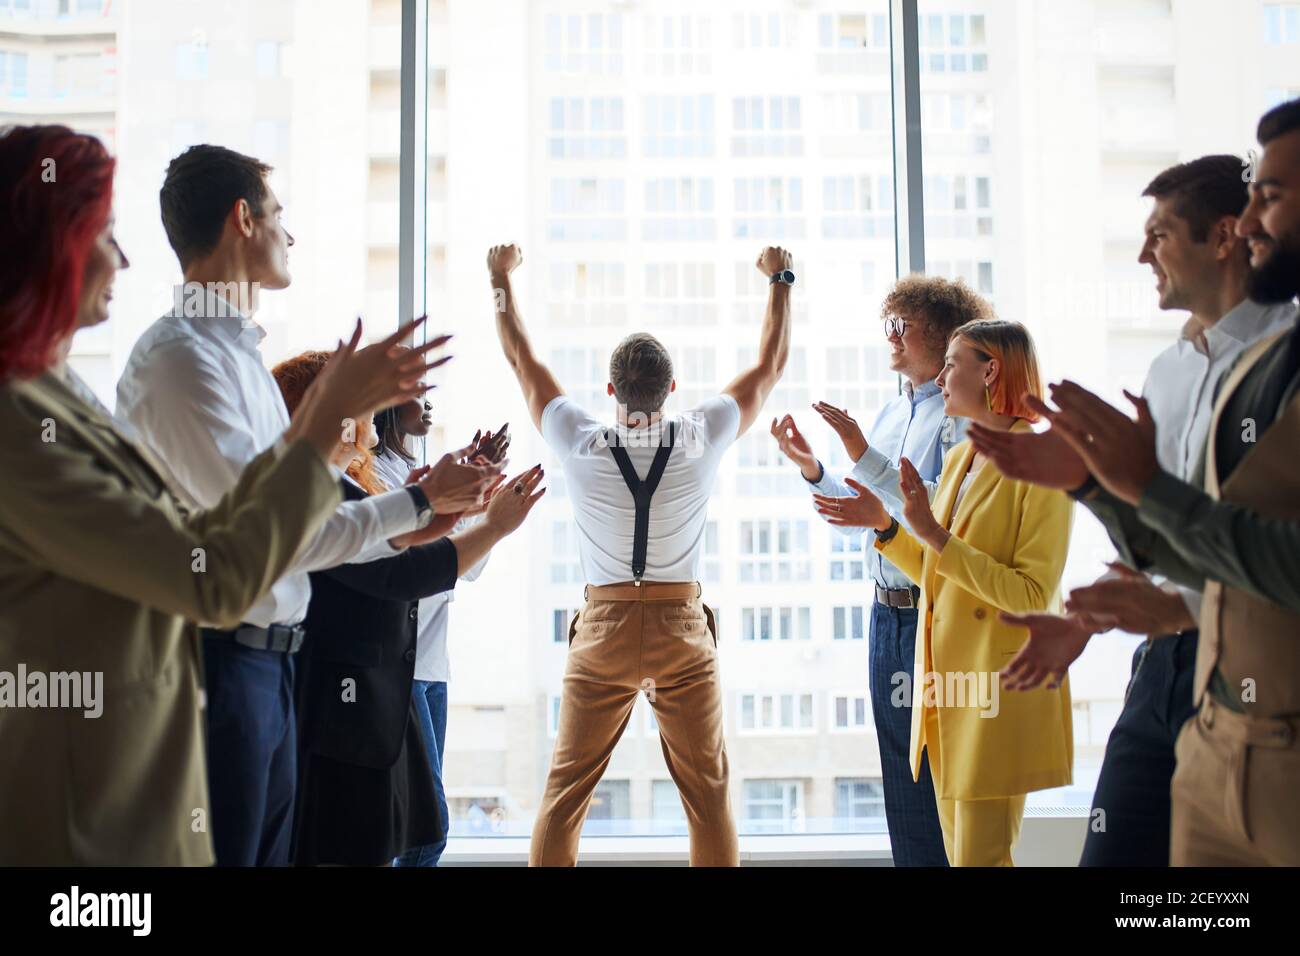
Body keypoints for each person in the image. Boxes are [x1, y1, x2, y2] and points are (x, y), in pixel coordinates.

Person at [0, 124, 447, 865]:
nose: (126, 256)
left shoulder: (68, 390)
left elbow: (266, 523)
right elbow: (220, 563)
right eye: (102, 232)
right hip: (171, 711)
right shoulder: (92, 391)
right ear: (47, 242)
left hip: (239, 681)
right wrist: (329, 425)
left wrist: (407, 498)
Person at [115, 144, 499, 866]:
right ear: (242, 218)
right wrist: (405, 491)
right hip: (220, 665)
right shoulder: (178, 360)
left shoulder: (238, 358)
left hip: (269, 669)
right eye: (278, 214)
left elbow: (305, 525)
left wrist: (421, 507)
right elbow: (267, 534)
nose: (288, 234)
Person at [971, 98, 1300, 866]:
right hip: (1167, 666)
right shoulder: (1169, 371)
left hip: (1264, 684)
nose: (1145, 256)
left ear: (1220, 238)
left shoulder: (1282, 361)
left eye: (1158, 236)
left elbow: (1263, 555)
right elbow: (1166, 539)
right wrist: (1094, 495)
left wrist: (1131, 488)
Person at [487, 242, 794, 866]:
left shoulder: (576, 438)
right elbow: (770, 365)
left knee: (565, 793)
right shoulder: (700, 434)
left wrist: (499, 280)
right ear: (671, 389)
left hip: (604, 628)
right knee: (708, 797)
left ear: (610, 389)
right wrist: (780, 280)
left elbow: (520, 357)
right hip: (682, 629)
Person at [813, 319, 1073, 866]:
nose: (944, 375)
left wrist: (933, 533)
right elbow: (939, 570)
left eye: (954, 363)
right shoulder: (962, 459)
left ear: (991, 371)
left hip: (994, 697)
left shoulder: (1045, 465)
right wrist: (886, 529)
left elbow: (1031, 594)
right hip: (946, 695)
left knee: (980, 859)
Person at [268, 353, 538, 866]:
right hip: (348, 708)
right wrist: (494, 523)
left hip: (373, 691)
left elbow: (402, 549)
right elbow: (403, 570)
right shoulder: (320, 491)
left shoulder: (335, 484)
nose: (377, 407)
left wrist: (446, 505)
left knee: (405, 832)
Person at [769, 275, 987, 866]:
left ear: (940, 334)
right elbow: (868, 509)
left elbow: (946, 509)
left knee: (937, 774)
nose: (889, 336)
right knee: (899, 772)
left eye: (902, 324)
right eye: (886, 323)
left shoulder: (962, 414)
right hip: (884, 614)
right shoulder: (894, 409)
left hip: (933, 615)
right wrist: (815, 468)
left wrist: (865, 456)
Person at [369, 398, 505, 867]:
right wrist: (476, 511)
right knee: (424, 834)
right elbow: (410, 560)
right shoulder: (370, 474)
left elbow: (465, 568)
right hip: (398, 666)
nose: (429, 403)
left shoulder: (409, 472)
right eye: (417, 392)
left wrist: (483, 507)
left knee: (416, 828)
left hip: (431, 667)